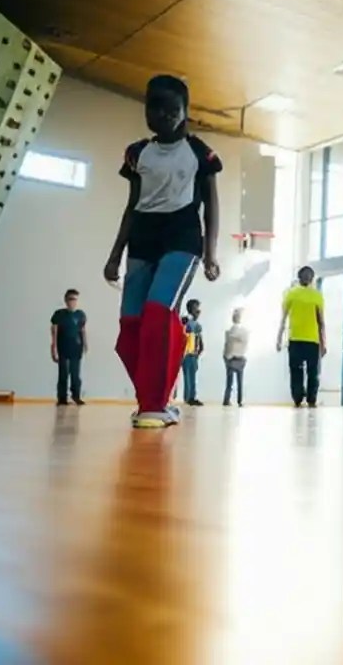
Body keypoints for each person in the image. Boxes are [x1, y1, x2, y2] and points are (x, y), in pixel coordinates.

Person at [104, 74, 221, 429]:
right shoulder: (138, 153)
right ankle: (158, 397)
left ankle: (152, 406)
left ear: (185, 112)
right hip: (142, 240)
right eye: (155, 108)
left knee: (158, 313)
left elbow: (211, 205)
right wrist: (114, 254)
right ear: (146, 111)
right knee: (130, 332)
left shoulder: (200, 152)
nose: (164, 115)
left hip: (182, 240)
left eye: (173, 109)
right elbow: (131, 206)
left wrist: (211, 253)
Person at [277, 266, 326, 407]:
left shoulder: (291, 294)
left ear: (299, 279)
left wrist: (279, 339)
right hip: (312, 340)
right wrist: (324, 343)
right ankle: (311, 399)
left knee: (296, 371)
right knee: (312, 372)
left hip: (295, 339)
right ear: (312, 279)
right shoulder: (317, 296)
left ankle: (297, 398)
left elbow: (283, 318)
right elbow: (321, 322)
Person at [50, 288, 88, 406]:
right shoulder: (59, 315)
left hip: (76, 348)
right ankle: (62, 398)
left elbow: (82, 330)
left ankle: (76, 396)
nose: (73, 302)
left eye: (75, 299)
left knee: (75, 374)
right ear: (66, 300)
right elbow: (54, 331)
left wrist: (85, 344)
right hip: (63, 348)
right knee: (63, 374)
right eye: (71, 299)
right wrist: (54, 347)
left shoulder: (80, 315)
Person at [223, 307, 248, 406]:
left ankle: (227, 399)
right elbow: (244, 344)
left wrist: (226, 357)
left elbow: (227, 346)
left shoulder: (229, 332)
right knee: (239, 382)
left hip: (231, 358)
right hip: (239, 358)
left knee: (229, 382)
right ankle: (240, 401)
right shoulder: (244, 332)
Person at [181, 299, 204, 406]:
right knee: (188, 376)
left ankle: (192, 397)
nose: (198, 311)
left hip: (194, 354)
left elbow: (199, 337)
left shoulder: (197, 324)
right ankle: (187, 398)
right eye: (196, 308)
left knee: (193, 375)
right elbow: (187, 330)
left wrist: (200, 349)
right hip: (186, 354)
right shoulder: (186, 322)